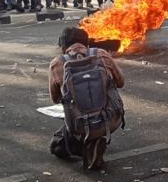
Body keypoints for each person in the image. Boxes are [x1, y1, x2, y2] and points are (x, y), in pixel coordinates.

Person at [48, 27, 125, 170]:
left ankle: (86, 146)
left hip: (79, 125)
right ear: (87, 44)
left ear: (63, 47)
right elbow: (121, 82)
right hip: (111, 120)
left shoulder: (56, 64)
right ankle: (95, 142)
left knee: (56, 147)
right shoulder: (102, 54)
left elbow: (55, 99)